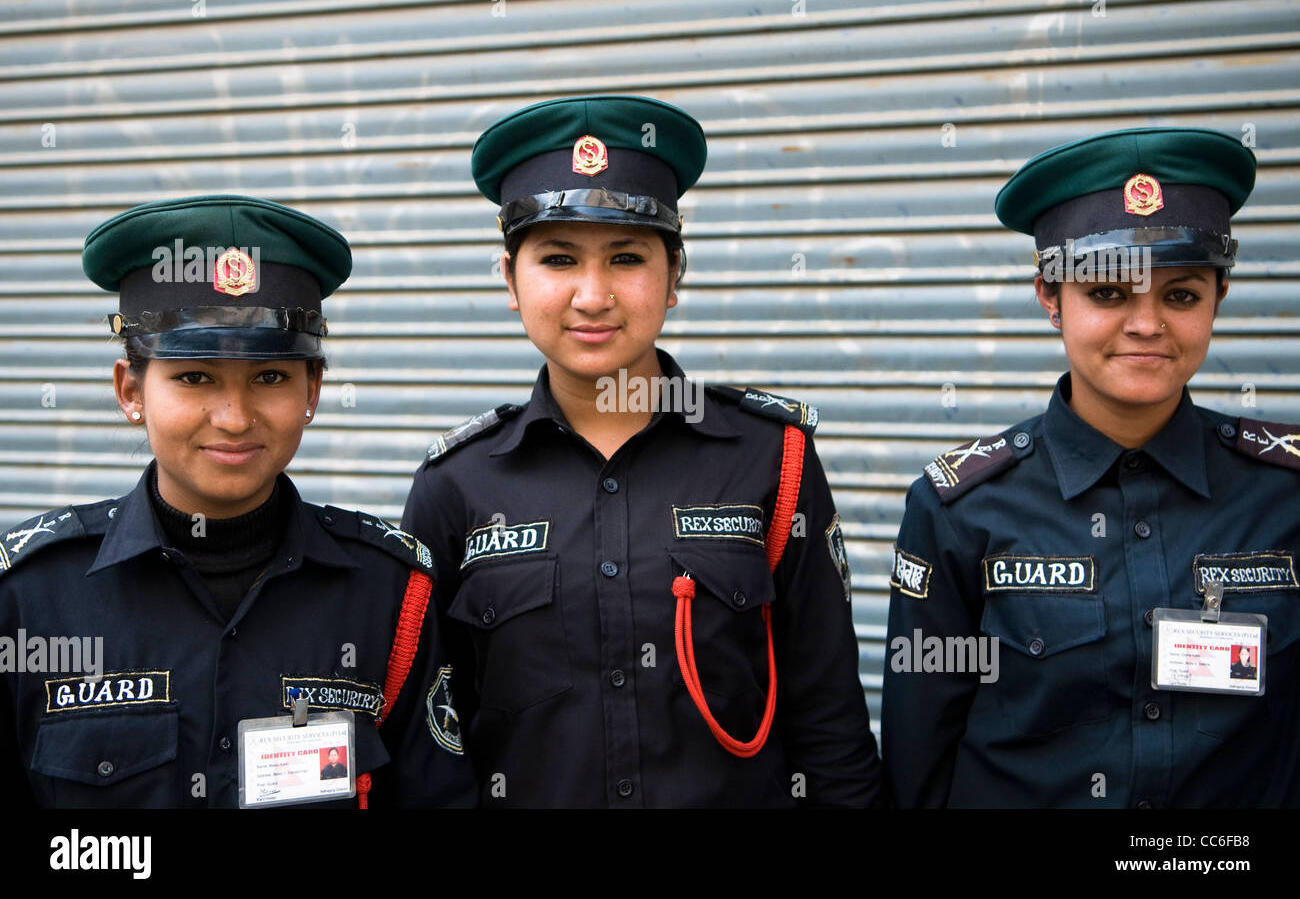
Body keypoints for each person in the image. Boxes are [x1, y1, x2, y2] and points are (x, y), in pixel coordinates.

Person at [401, 95, 883, 807]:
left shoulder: (771, 460)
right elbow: (432, 753)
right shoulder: (457, 487)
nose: (592, 296)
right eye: (558, 259)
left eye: (626, 257)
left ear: (675, 275)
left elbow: (829, 718)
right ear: (509, 280)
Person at [0, 195, 476, 809]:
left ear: (314, 389)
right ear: (130, 390)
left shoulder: (388, 594)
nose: (233, 417)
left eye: (270, 377)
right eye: (194, 376)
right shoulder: (30, 600)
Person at [882, 127, 1300, 808]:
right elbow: (917, 758)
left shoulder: (1284, 494)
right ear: (1051, 297)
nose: (1146, 324)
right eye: (1108, 295)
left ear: (1220, 295)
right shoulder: (959, 509)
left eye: (1182, 295)